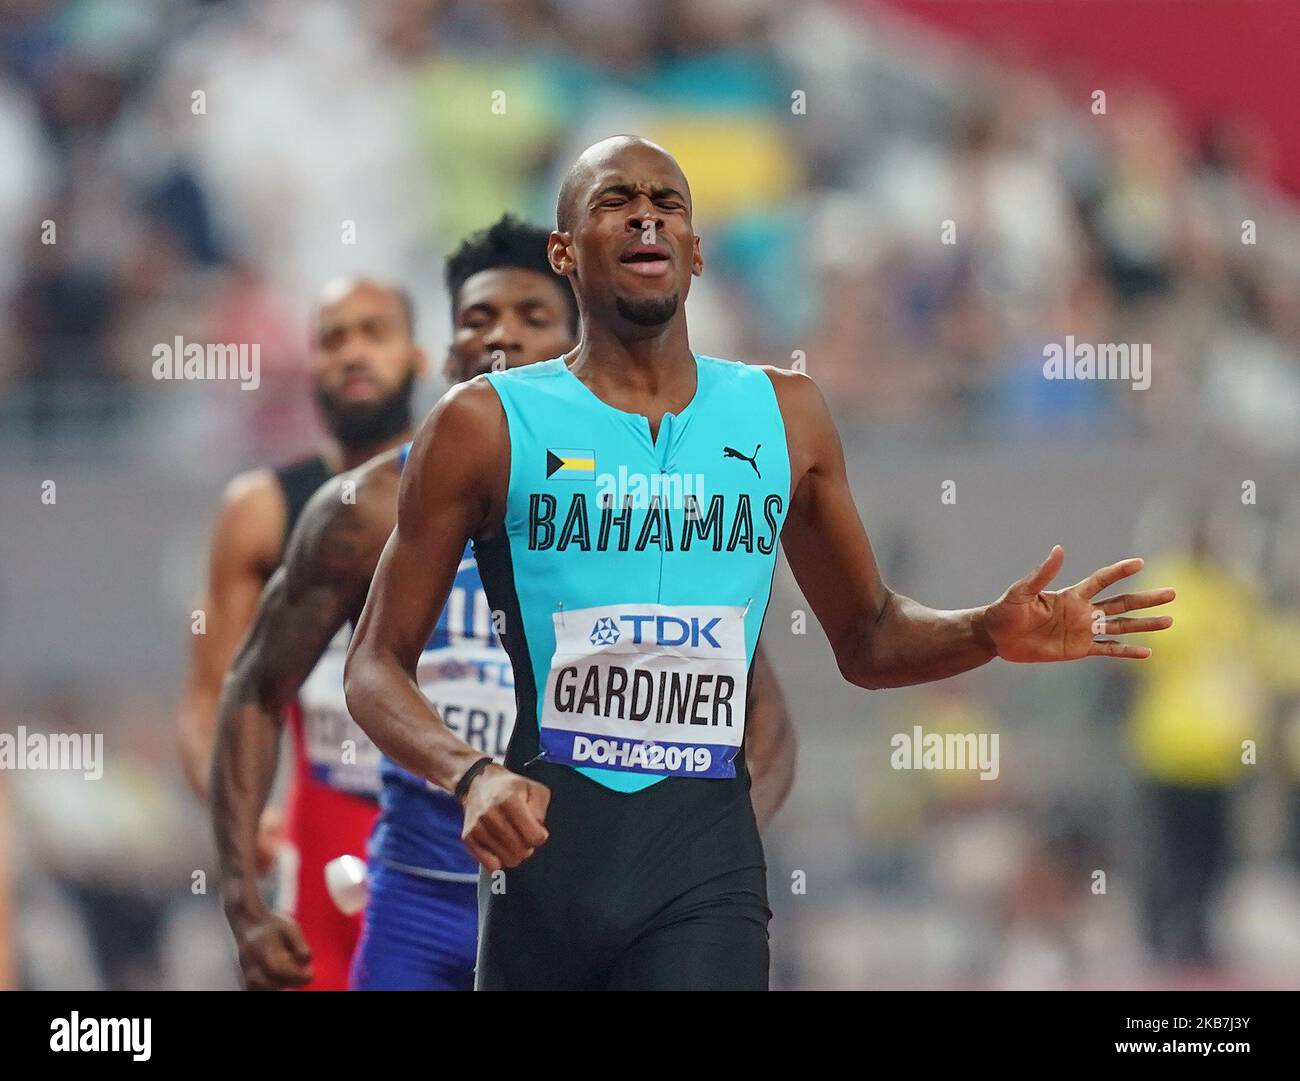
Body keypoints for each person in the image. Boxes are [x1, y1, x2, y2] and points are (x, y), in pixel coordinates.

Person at [344, 136, 1176, 991]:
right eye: (615, 201)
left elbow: (871, 636)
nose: (646, 215)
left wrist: (985, 631)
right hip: (545, 871)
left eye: (668, 203)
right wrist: (472, 774)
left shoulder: (785, 414)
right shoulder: (483, 424)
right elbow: (374, 665)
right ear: (564, 252)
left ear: (696, 249)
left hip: (705, 875)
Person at [211, 214, 799, 991]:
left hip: (573, 905)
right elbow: (255, 685)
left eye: (532, 317)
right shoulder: (365, 508)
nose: (501, 337)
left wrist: (677, 872)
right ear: (447, 348)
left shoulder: (635, 511)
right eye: (477, 318)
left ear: (577, 342)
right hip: (421, 902)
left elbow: (764, 723)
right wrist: (243, 900)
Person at [183, 277, 424, 989]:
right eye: (331, 338)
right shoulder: (261, 511)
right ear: (308, 366)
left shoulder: (466, 494)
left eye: (373, 332)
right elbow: (208, 705)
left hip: (446, 852)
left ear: (417, 355)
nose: (353, 353)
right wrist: (241, 814)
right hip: (316, 858)